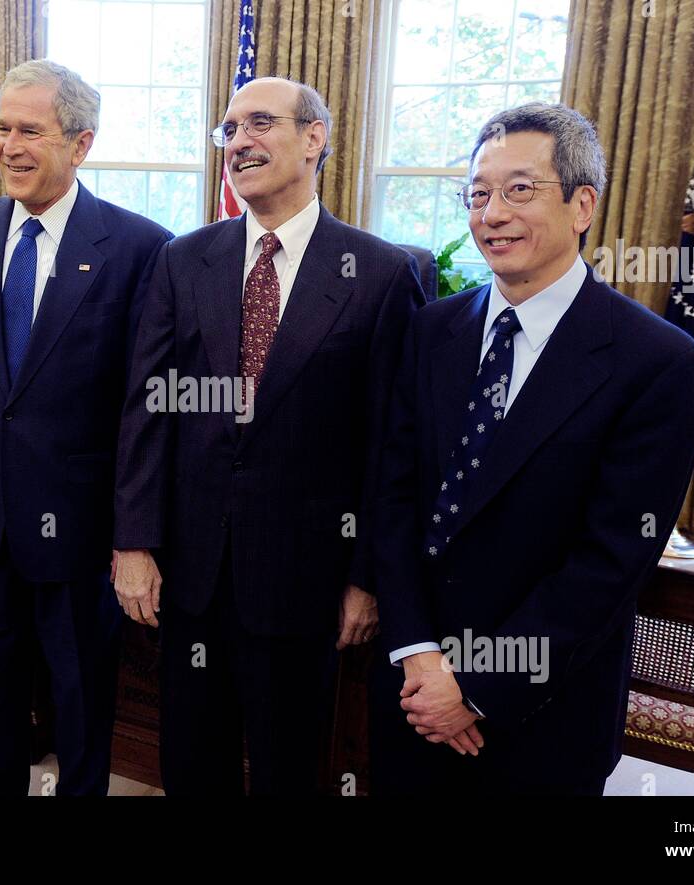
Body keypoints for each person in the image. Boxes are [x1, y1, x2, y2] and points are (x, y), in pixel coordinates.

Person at [370, 102, 694, 796]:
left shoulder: (658, 362)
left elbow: (610, 560)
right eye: (478, 193)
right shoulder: (430, 331)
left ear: (583, 204)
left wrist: (474, 686)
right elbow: (392, 496)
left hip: (543, 716)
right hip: (411, 690)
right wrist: (420, 656)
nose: (492, 213)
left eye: (519, 189)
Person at [113, 77, 426, 795]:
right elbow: (145, 410)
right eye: (229, 130)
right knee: (192, 762)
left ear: (315, 137)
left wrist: (366, 577)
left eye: (259, 122)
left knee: (288, 769)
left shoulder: (380, 274)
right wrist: (132, 540)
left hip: (306, 582)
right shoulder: (182, 259)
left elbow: (392, 446)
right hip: (188, 576)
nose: (239, 142)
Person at [0, 59, 171, 796]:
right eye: (2, 127)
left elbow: (145, 406)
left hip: (78, 527)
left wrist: (133, 536)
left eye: (29, 129)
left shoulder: (140, 246)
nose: (9, 145)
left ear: (81, 142)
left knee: (81, 705)